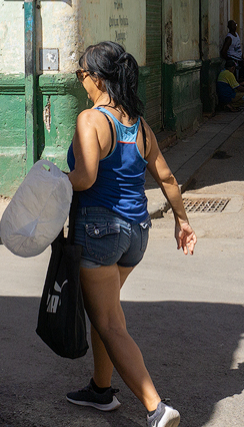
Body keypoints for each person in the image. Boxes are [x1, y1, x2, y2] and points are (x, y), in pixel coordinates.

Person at [64, 41, 196, 427]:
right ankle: (100, 390)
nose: (81, 82)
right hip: (137, 231)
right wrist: (182, 220)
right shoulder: (138, 124)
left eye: (82, 75)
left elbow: (86, 176)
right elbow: (168, 177)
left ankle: (155, 408)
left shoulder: (91, 120)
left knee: (109, 323)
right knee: (108, 312)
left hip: (99, 230)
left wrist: (54, 179)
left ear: (99, 78)